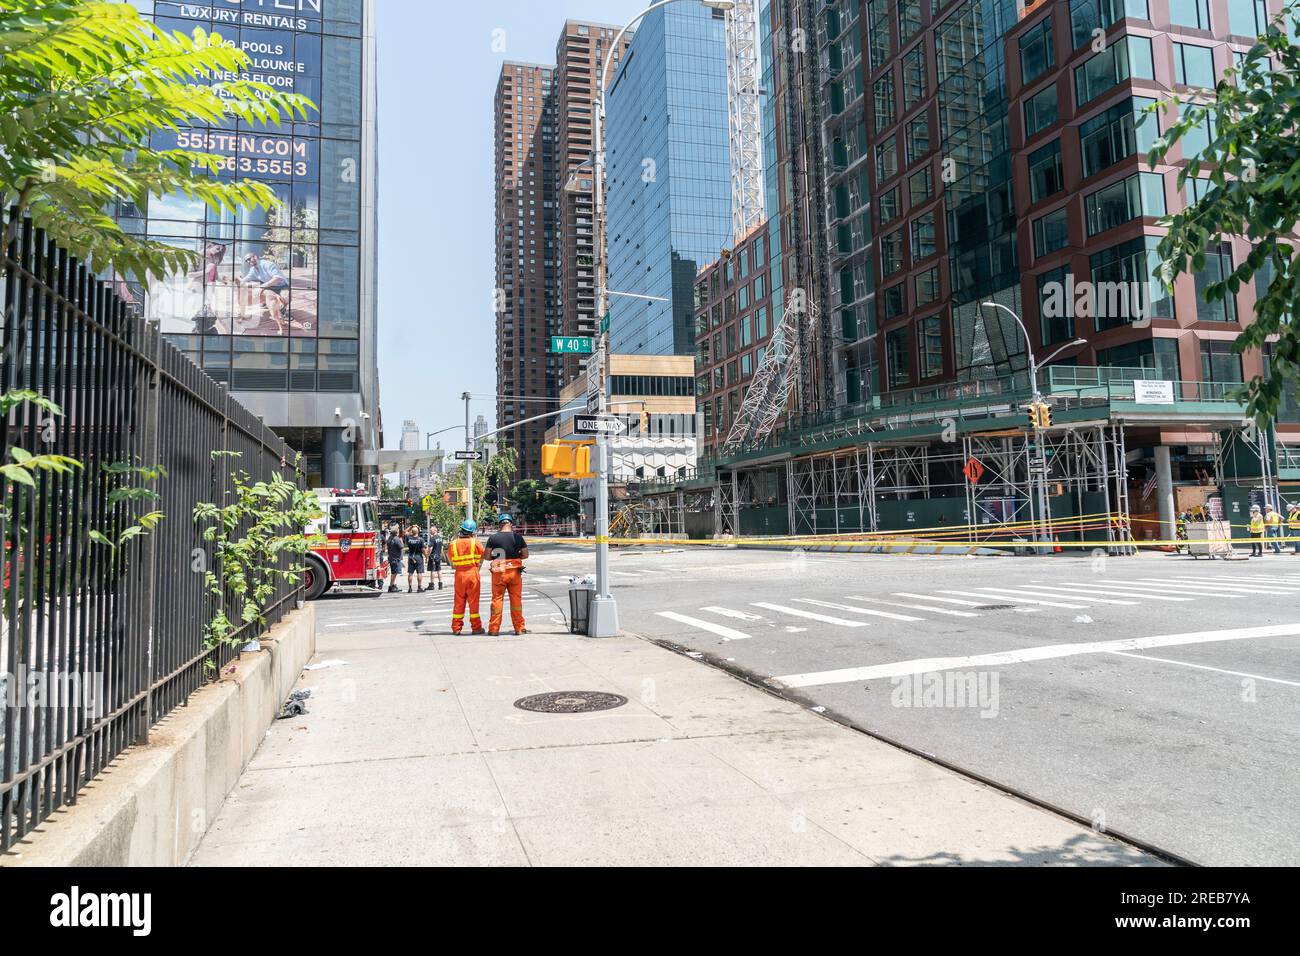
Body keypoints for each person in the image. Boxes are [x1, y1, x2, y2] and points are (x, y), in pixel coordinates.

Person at [486, 513, 528, 636]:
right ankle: (519, 628)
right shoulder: (518, 537)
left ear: (500, 524)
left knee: (497, 600)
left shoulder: (493, 538)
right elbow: (525, 555)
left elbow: (487, 556)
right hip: (514, 572)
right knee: (516, 600)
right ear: (510, 523)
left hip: (499, 573)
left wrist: (497, 556)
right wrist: (516, 555)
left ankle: (494, 629)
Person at [446, 520, 485, 635]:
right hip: (472, 574)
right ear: (472, 532)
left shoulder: (453, 544)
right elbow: (483, 555)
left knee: (459, 601)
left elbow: (451, 559)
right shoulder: (475, 542)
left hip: (459, 575)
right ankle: (476, 627)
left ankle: (456, 627)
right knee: (473, 602)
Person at [239, 253, 291, 333]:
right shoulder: (253, 269)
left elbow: (278, 278)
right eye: (247, 261)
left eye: (250, 259)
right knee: (265, 296)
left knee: (285, 298)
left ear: (255, 257)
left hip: (281, 286)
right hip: (269, 287)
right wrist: (238, 282)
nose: (249, 261)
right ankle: (269, 304)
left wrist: (263, 286)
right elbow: (248, 278)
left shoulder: (268, 264)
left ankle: (283, 310)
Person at [403, 523, 426, 592]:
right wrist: (426, 556)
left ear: (411, 532)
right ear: (418, 532)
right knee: (419, 573)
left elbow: (405, 532)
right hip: (418, 557)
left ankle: (410, 588)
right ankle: (419, 587)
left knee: (410, 573)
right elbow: (423, 550)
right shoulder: (421, 540)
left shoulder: (409, 538)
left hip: (411, 557)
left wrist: (411, 526)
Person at [385, 524, 404, 593]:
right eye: (398, 529)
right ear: (396, 532)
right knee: (394, 573)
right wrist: (401, 540)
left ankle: (393, 585)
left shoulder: (390, 538)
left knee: (394, 572)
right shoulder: (396, 539)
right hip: (395, 558)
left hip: (391, 557)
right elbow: (401, 546)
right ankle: (391, 586)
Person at [426, 525, 445, 590]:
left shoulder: (433, 538)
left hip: (433, 556)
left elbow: (430, 548)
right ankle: (440, 584)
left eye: (431, 530)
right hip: (438, 556)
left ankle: (431, 584)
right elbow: (442, 547)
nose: (430, 531)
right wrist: (441, 555)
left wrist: (427, 555)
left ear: (435, 530)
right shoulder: (440, 538)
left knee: (433, 570)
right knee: (439, 570)